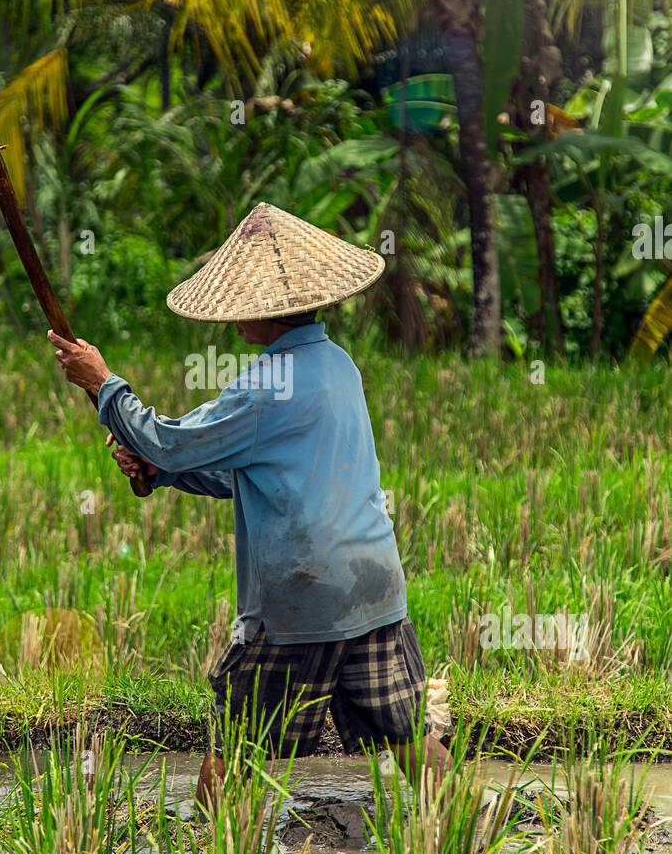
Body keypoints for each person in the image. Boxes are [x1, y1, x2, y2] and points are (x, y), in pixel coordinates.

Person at [49, 202, 451, 805]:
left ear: (268, 312)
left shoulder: (264, 388)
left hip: (301, 600)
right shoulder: (339, 366)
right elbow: (253, 476)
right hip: (374, 589)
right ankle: (467, 838)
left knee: (233, 745)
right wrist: (162, 473)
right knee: (409, 736)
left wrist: (103, 385)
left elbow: (172, 440)